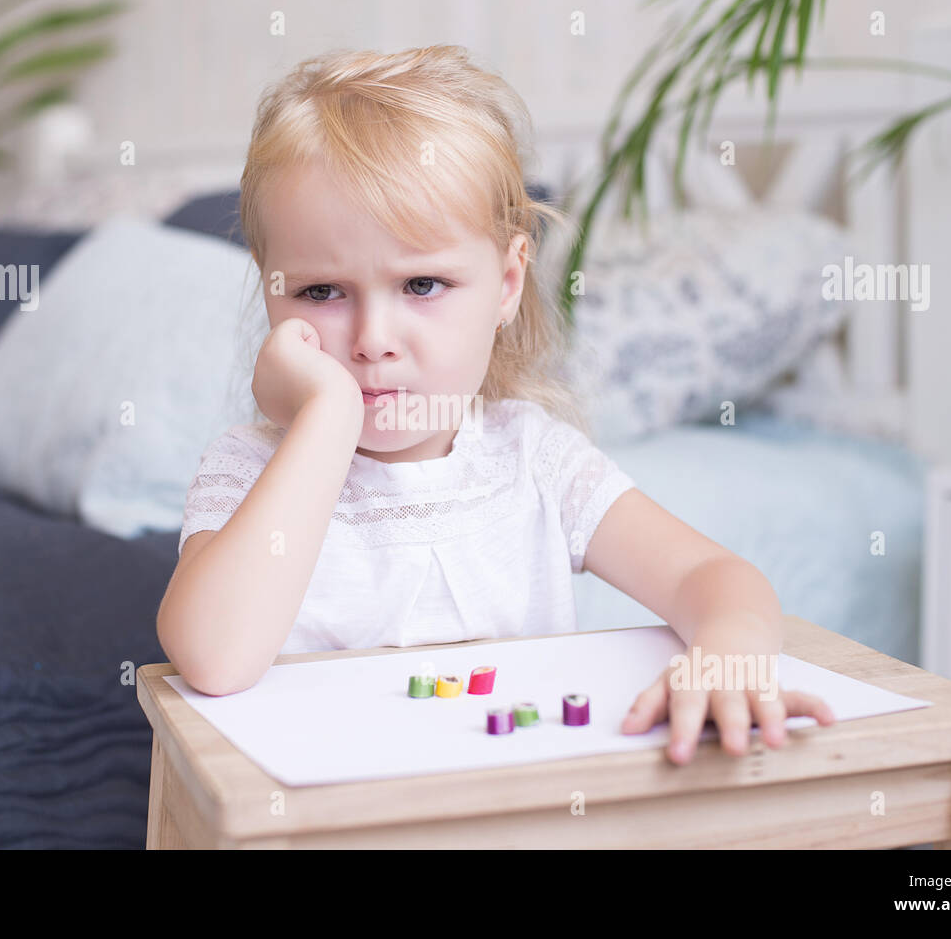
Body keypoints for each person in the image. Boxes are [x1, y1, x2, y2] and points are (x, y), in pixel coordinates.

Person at [156, 45, 833, 765]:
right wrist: (325, 418)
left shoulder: (533, 460)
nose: (373, 340)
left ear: (509, 283)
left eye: (422, 285)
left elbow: (717, 579)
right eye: (322, 292)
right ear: (269, 288)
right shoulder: (251, 470)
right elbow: (212, 657)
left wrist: (727, 656)